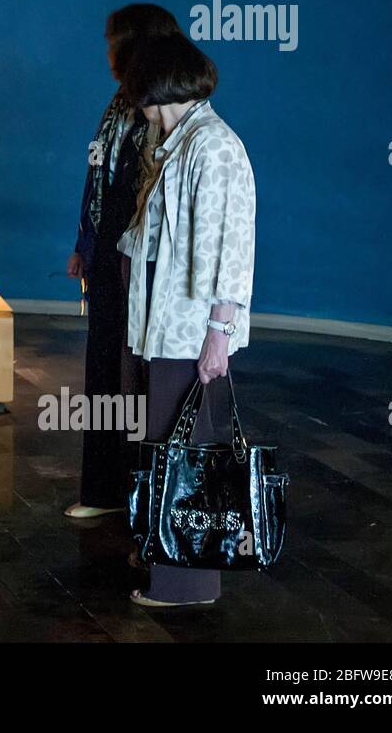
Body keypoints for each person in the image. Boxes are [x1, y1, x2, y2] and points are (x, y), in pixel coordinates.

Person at [116, 32, 256, 607]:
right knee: (165, 443)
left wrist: (219, 334)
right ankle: (163, 552)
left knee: (191, 450)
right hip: (165, 325)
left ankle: (188, 582)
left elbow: (232, 246)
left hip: (189, 329)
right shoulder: (181, 139)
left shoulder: (214, 145)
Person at [64, 5, 181, 519]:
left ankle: (141, 498)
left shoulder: (164, 108)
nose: (107, 55)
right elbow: (100, 181)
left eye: (114, 43)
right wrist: (84, 244)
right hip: (108, 257)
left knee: (138, 374)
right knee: (102, 368)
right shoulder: (119, 105)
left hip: (142, 261)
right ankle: (102, 490)